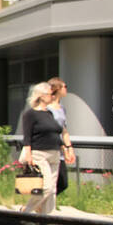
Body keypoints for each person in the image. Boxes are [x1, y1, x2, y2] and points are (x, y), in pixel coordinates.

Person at [20, 81, 71, 215]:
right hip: (39, 154)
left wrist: (65, 149)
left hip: (55, 154)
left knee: (52, 191)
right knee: (46, 188)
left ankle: (45, 219)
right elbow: (27, 136)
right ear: (41, 96)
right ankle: (26, 211)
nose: (52, 96)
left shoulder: (49, 113)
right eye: (49, 94)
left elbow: (56, 132)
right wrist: (28, 155)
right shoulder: (30, 114)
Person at [47, 78, 75, 197]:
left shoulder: (62, 108)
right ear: (57, 89)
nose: (66, 89)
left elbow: (64, 130)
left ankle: (41, 206)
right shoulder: (47, 109)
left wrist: (69, 148)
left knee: (63, 183)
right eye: (65, 86)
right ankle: (39, 207)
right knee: (51, 183)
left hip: (61, 150)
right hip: (50, 147)